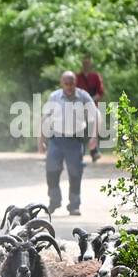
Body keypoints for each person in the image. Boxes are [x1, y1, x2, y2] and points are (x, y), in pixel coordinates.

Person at [40, 70, 100, 217]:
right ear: (61, 83)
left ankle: (74, 205)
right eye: (66, 83)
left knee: (75, 174)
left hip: (75, 141)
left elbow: (96, 116)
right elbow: (44, 118)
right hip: (56, 139)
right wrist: (41, 140)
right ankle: (54, 201)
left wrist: (94, 137)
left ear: (75, 82)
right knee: (51, 171)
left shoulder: (83, 97)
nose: (69, 86)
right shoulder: (54, 97)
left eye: (71, 83)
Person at [76, 55, 106, 162]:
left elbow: (100, 92)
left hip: (93, 105)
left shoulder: (96, 76)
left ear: (90, 64)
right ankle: (79, 150)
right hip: (79, 106)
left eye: (88, 63)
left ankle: (94, 151)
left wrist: (90, 101)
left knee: (96, 122)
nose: (86, 65)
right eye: (84, 63)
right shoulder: (77, 77)